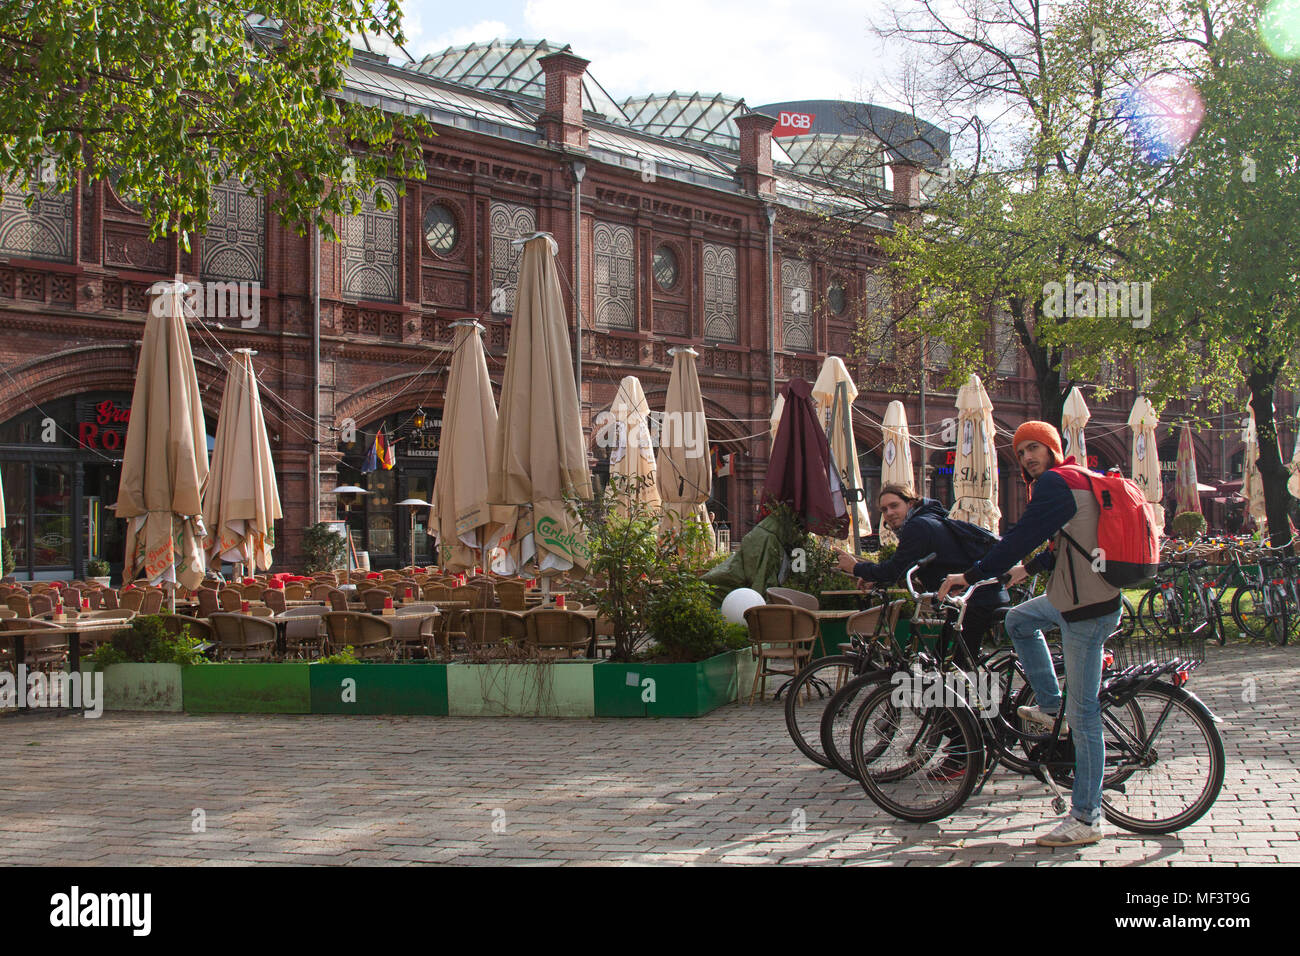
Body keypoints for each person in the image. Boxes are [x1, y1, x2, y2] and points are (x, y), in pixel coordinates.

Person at [937, 421, 1123, 848]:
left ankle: (1086, 817)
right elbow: (1067, 541)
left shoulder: (1057, 484)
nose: (1028, 458)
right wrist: (1026, 570)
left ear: (1054, 450)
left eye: (1036, 448)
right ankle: (1050, 704)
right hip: (1072, 597)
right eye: (1021, 452)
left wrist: (971, 574)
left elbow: (1021, 537)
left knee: (1085, 716)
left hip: (1086, 609)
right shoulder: (1073, 481)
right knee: (1017, 620)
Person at [835, 484, 1009, 665]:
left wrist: (855, 568)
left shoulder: (918, 526)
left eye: (894, 506)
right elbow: (905, 567)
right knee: (943, 663)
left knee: (956, 668)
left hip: (976, 600)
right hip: (974, 599)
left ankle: (983, 692)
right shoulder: (926, 520)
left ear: (910, 504)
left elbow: (895, 568)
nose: (889, 513)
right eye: (884, 509)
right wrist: (877, 578)